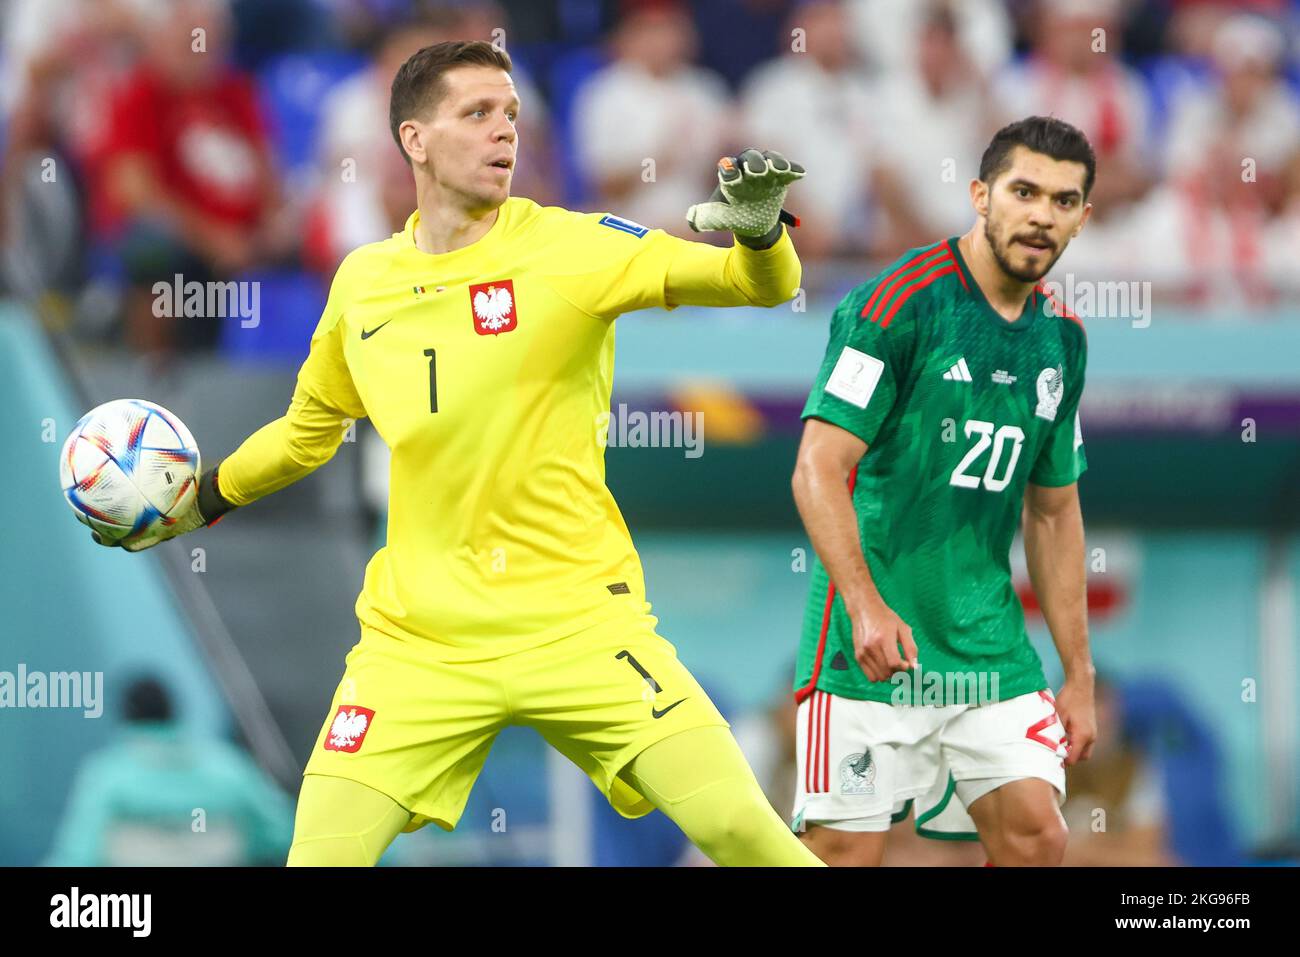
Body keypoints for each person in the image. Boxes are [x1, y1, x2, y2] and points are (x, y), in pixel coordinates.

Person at [91, 39, 822, 867]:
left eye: (511, 113)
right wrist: (199, 500)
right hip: (420, 644)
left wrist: (764, 236)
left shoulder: (574, 247)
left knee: (740, 829)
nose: (503, 131)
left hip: (577, 622)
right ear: (415, 138)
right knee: (318, 858)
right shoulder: (364, 282)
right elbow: (307, 431)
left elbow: (748, 283)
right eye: (477, 113)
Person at [788, 116, 1098, 866]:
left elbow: (1054, 512)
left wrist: (1080, 675)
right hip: (865, 654)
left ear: (1083, 217)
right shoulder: (895, 307)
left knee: (1037, 835)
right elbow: (816, 468)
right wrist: (865, 604)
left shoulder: (1064, 337)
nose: (1041, 215)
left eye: (1063, 200)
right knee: (843, 852)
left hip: (990, 651)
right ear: (981, 195)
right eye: (1024, 192)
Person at [45, 676, 293, 866]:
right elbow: (281, 832)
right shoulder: (228, 766)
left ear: (125, 715)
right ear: (174, 710)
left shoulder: (108, 775)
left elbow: (78, 853)